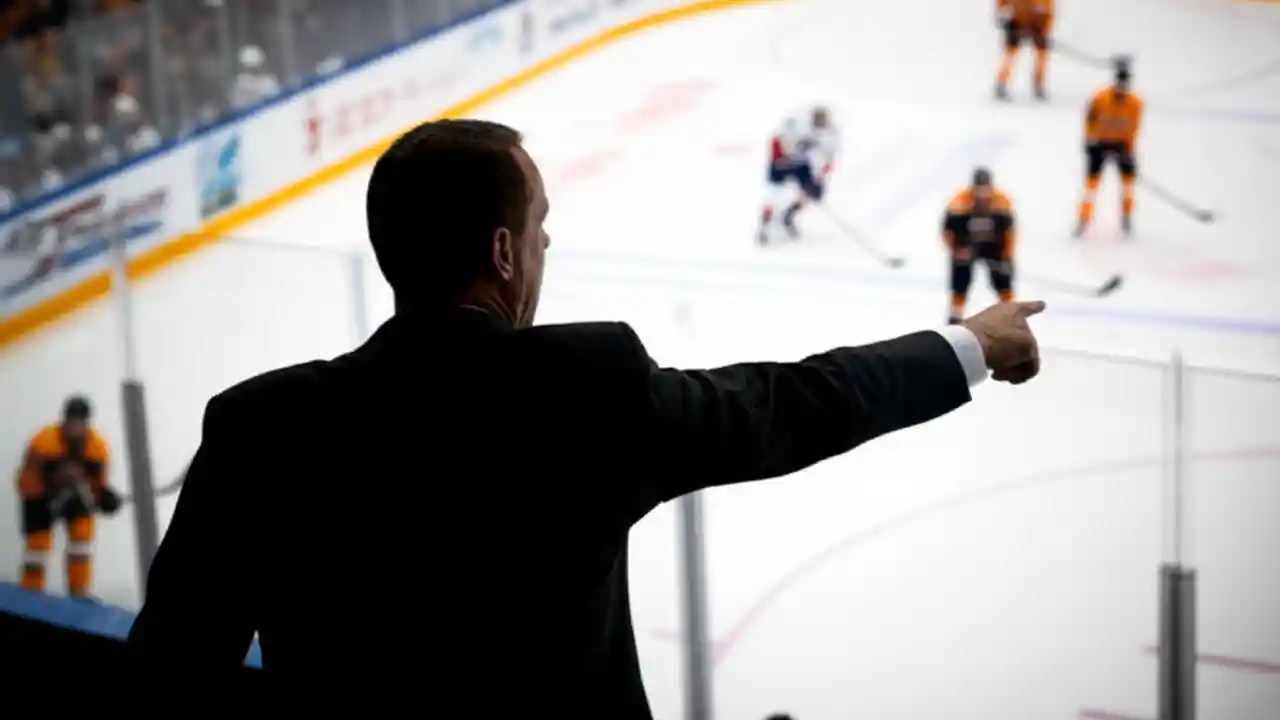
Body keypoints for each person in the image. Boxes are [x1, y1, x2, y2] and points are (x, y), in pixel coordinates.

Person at [126, 119, 1045, 714]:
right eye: (539, 226)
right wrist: (971, 344)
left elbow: (169, 673)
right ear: (503, 255)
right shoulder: (586, 387)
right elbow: (797, 403)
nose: (546, 244)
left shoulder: (260, 425)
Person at [15, 395, 121, 598]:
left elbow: (99, 484)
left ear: (87, 423)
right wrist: (49, 490)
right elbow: (28, 479)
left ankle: (78, 592)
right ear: (64, 420)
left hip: (76, 496)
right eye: (71, 420)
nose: (75, 426)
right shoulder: (43, 442)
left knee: (82, 537)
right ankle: (29, 594)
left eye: (80, 421)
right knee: (38, 546)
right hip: (40, 496)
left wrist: (105, 498)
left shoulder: (97, 449)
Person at [1076, 57, 1143, 237]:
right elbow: (1089, 120)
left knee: (1128, 185)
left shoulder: (1135, 104)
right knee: (1091, 186)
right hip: (1099, 144)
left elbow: (1135, 128)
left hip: (1122, 146)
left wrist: (1129, 150)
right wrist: (1089, 140)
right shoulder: (1100, 98)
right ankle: (1082, 220)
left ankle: (1127, 218)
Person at [943, 167, 1017, 324]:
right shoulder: (959, 204)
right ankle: (956, 313)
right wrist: (955, 250)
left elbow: (1010, 232)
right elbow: (948, 231)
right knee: (960, 277)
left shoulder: (1002, 203)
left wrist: (1006, 254)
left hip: (995, 246)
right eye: (979, 191)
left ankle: (1010, 313)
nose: (982, 195)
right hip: (967, 245)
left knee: (1003, 280)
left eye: (985, 191)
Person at [757, 106, 839, 245]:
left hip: (803, 164)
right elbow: (776, 139)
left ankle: (788, 216)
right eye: (817, 119)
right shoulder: (796, 123)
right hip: (782, 160)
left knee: (812, 193)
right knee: (773, 195)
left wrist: (819, 180)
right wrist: (779, 157)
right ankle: (765, 224)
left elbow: (829, 159)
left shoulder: (831, 133)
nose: (819, 122)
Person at [994, 0, 1054, 101]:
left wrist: (1044, 28)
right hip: (1016, 24)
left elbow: (1048, 10)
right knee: (1010, 54)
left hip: (1037, 25)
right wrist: (1004, 18)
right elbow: (1002, 6)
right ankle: (1001, 84)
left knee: (1041, 55)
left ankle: (1038, 85)